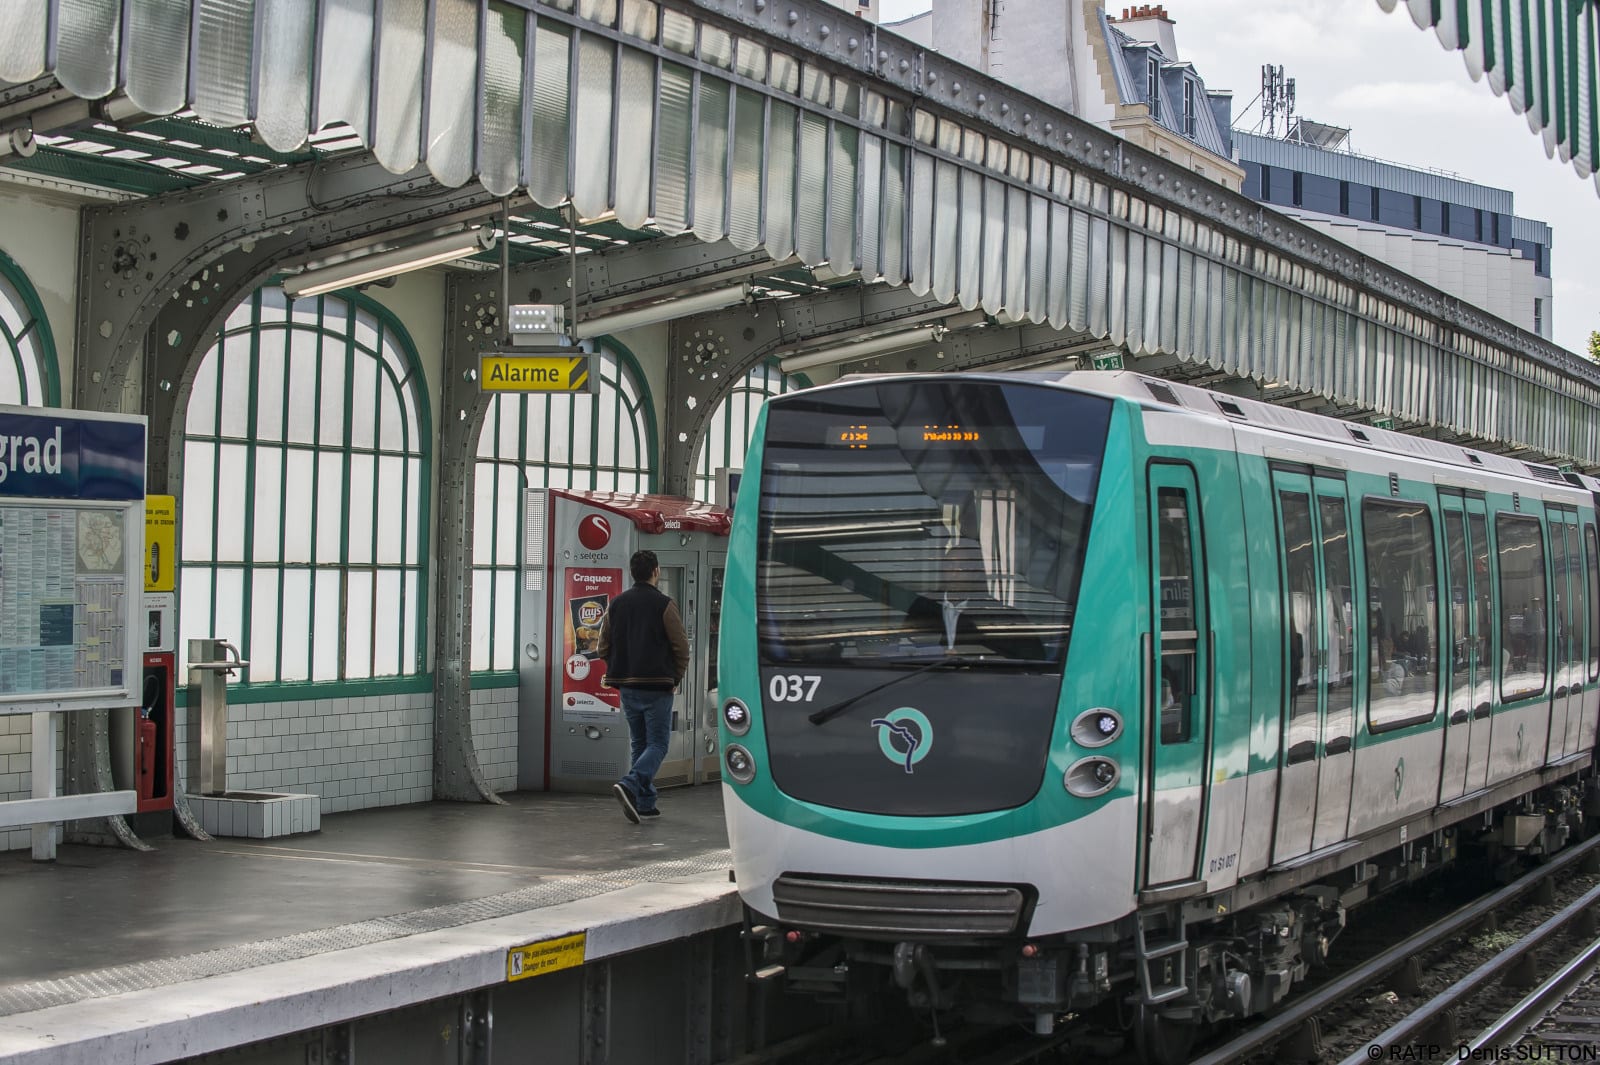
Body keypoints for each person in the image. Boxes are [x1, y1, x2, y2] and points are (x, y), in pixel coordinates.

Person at [597, 549, 690, 824]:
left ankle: (644, 802)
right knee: (659, 744)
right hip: (658, 686)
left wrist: (620, 667)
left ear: (632, 572)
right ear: (656, 571)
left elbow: (603, 645)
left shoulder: (617, 604)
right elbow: (681, 647)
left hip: (627, 686)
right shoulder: (665, 604)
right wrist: (675, 677)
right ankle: (631, 783)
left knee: (639, 743)